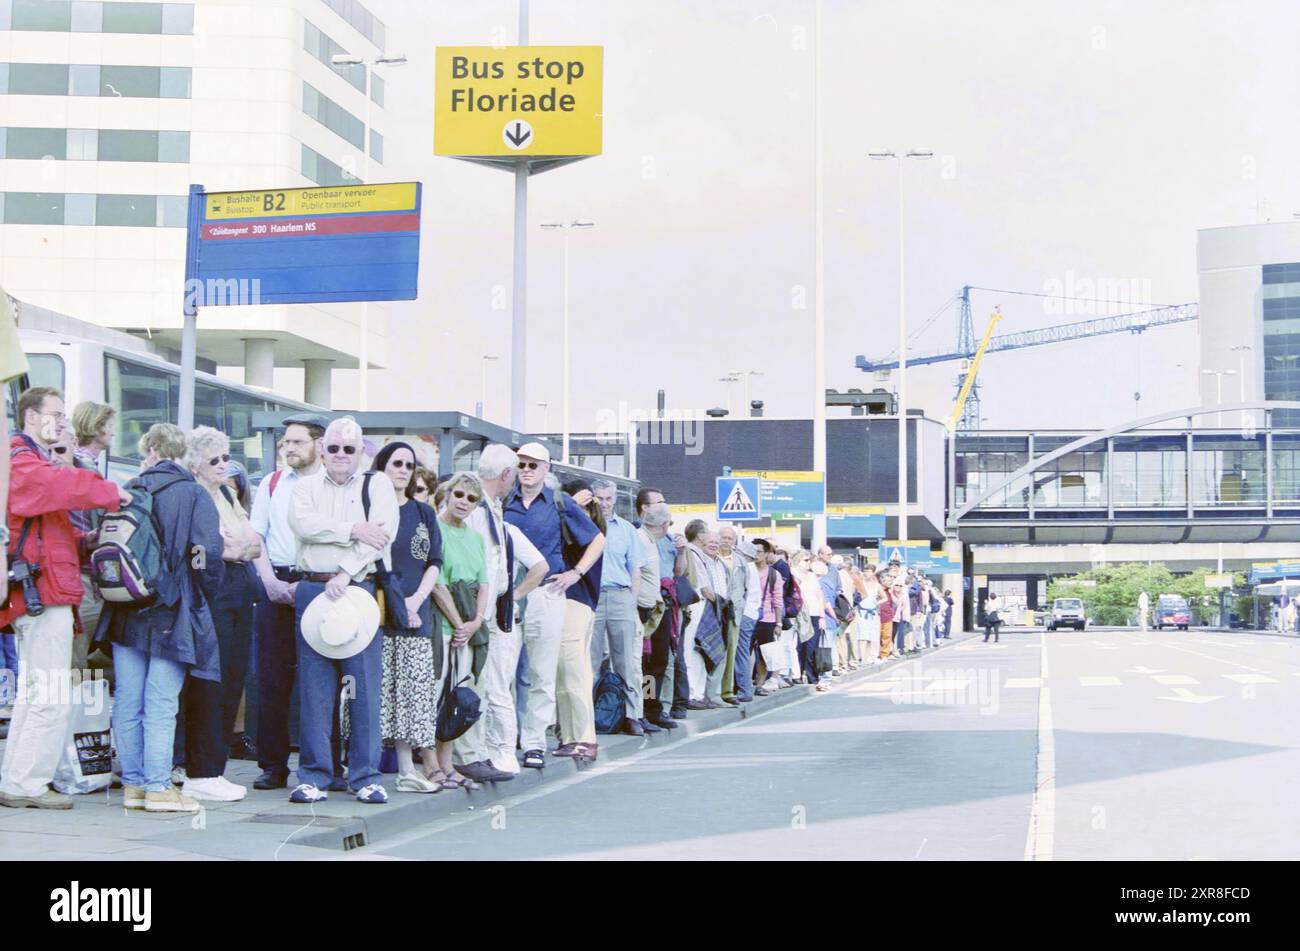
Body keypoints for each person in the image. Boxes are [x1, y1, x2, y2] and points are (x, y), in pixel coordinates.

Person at [0, 387, 128, 809]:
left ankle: (18, 780)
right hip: (43, 595)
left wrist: (84, 539)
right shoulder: (22, 461)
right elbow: (53, 486)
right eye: (55, 413)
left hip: (41, 591)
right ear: (32, 417)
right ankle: (26, 785)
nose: (63, 422)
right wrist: (111, 492)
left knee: (38, 692)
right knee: (50, 693)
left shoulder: (26, 460)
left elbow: (45, 530)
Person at [98, 423, 225, 813]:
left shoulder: (129, 490)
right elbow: (206, 553)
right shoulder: (192, 493)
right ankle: (157, 786)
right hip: (173, 609)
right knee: (160, 701)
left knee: (128, 700)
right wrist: (204, 587)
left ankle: (134, 785)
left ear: (150, 450)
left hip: (125, 607)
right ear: (180, 452)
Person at [287, 416, 399, 804]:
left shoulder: (378, 484)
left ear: (360, 452)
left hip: (357, 590)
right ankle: (315, 776)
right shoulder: (304, 487)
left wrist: (347, 572)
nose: (339, 455)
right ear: (322, 448)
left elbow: (383, 534)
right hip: (311, 587)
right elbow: (303, 525)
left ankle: (365, 776)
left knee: (363, 688)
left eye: (348, 449)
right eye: (333, 447)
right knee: (315, 688)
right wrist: (353, 528)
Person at [169, 427, 259, 802]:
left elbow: (254, 540)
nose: (224, 465)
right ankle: (199, 767)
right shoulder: (193, 496)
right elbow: (197, 552)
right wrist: (229, 551)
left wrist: (238, 548)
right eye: (215, 460)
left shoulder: (226, 492)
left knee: (233, 678)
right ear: (196, 464)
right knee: (209, 681)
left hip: (239, 590)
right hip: (213, 593)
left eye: (226, 457)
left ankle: (213, 767)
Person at [503, 442, 604, 768]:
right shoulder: (504, 501)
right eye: (522, 465)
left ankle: (534, 743)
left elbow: (597, 540)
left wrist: (576, 573)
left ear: (547, 469)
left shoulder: (559, 503)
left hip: (547, 593)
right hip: (510, 593)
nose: (527, 471)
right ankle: (503, 743)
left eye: (534, 465)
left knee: (542, 673)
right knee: (503, 672)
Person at [248, 413, 328, 791]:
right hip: (275, 580)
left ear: (318, 444)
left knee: (321, 679)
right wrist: (268, 580)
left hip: (320, 584)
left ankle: (324, 765)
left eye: (297, 441)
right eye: (285, 442)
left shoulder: (334, 485)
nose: (289, 448)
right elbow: (256, 535)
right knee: (272, 678)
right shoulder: (272, 482)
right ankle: (272, 765)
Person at [365, 442, 446, 793]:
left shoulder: (423, 513)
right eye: (396, 463)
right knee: (376, 691)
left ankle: (405, 769)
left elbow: (435, 562)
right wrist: (399, 604)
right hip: (379, 611)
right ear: (381, 467)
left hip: (416, 613)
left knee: (411, 693)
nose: (403, 470)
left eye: (409, 465)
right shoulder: (370, 511)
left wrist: (415, 601)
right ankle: (363, 769)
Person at [467, 445, 548, 778]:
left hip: (487, 611)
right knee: (496, 684)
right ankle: (495, 751)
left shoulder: (488, 514)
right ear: (506, 475)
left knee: (490, 684)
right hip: (491, 612)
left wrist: (509, 596)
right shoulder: (487, 514)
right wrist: (511, 596)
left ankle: (495, 752)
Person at [426, 471, 490, 790]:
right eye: (459, 494)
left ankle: (447, 763)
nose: (464, 502)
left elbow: (484, 582)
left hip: (466, 623)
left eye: (472, 498)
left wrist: (475, 621)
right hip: (440, 622)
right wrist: (458, 623)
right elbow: (436, 583)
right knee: (434, 690)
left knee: (456, 694)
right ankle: (430, 764)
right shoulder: (433, 529)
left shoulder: (476, 538)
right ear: (447, 494)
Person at [589, 479, 650, 734]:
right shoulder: (584, 524)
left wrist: (632, 602)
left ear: (615, 500)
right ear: (593, 498)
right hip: (590, 597)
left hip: (619, 595)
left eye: (608, 499)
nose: (604, 503)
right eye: (599, 498)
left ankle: (632, 715)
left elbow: (635, 569)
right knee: (589, 661)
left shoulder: (627, 530)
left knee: (626, 660)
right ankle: (588, 718)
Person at [638, 502, 681, 729]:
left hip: (656, 606)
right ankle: (646, 708)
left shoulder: (652, 541)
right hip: (646, 609)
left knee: (658, 661)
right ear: (665, 525)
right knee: (649, 663)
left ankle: (652, 707)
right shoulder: (641, 540)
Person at [717, 526, 749, 704]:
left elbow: (746, 587)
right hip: (715, 611)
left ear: (734, 541)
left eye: (730, 538)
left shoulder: (740, 562)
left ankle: (727, 691)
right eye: (723, 537)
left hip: (734, 612)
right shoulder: (712, 558)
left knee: (731, 652)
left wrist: (739, 606)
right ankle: (711, 691)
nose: (726, 541)